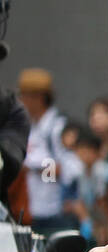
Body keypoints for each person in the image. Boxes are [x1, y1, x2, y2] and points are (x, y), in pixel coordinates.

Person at [18, 68, 77, 234]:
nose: (21, 101)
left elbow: (68, 169)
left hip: (57, 213)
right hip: (36, 212)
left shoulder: (57, 127)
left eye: (25, 96)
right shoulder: (33, 128)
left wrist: (35, 168)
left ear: (39, 98)